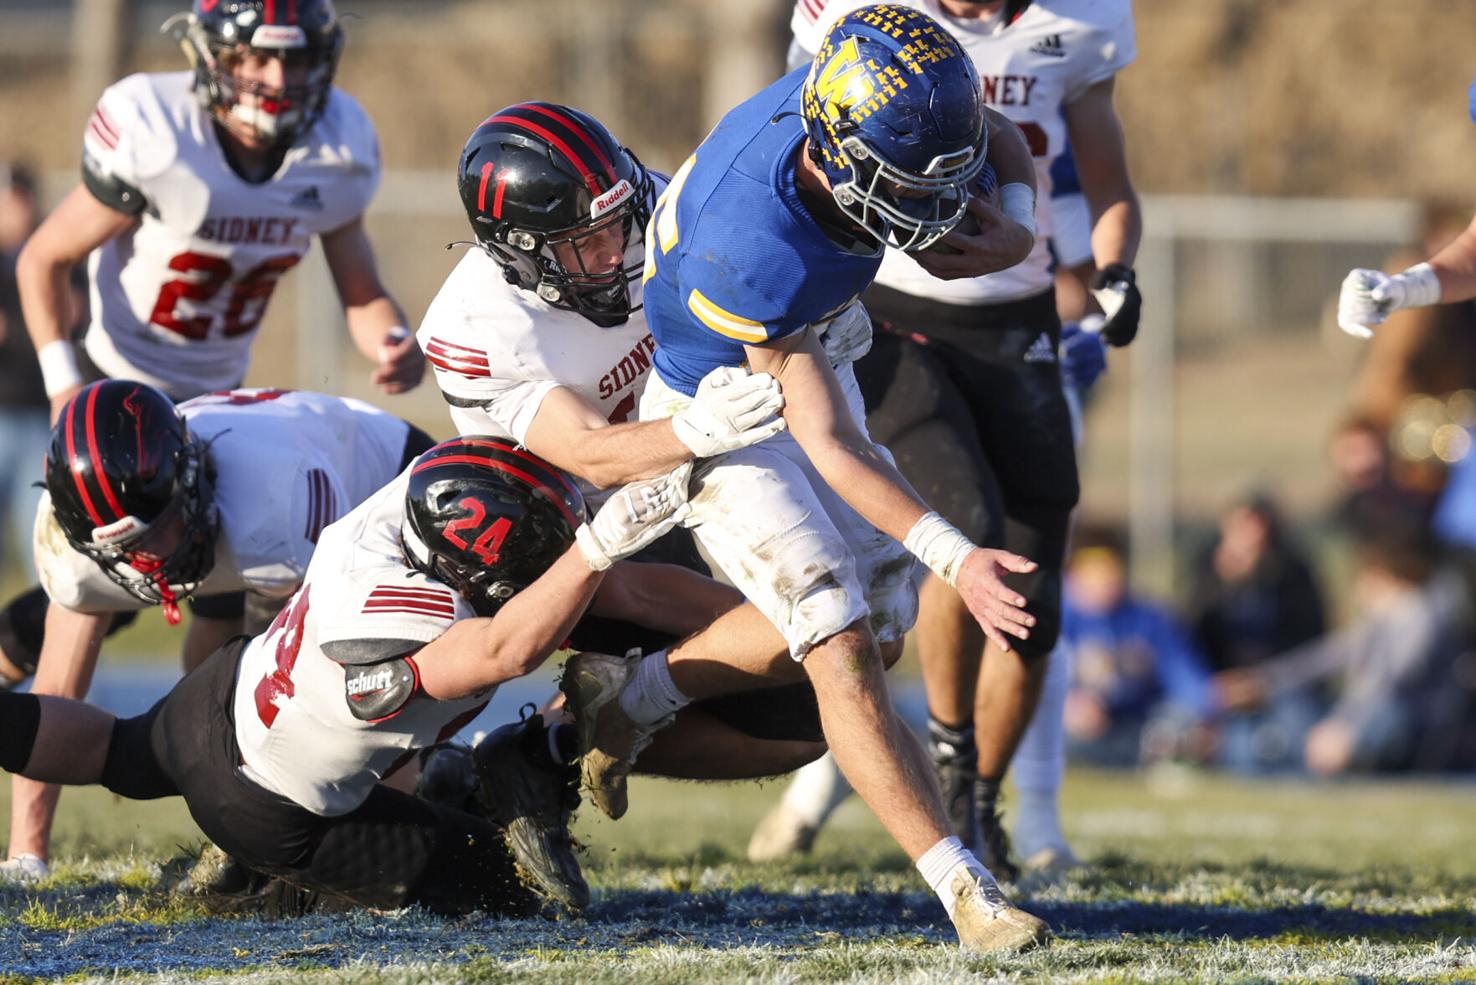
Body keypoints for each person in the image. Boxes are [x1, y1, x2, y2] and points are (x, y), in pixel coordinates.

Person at [630, 4, 1051, 952]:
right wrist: (959, 556)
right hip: (726, 402)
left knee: (884, 623)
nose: (941, 205)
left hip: (814, 338)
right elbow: (828, 442)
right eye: (912, 185)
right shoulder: (752, 243)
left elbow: (998, 134)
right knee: (841, 639)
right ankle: (967, 893)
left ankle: (630, 698)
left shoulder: (867, 105)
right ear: (838, 157)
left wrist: (1020, 228)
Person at [0, 437, 694, 915]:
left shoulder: (386, 522)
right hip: (265, 807)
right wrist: (594, 549)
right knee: (510, 886)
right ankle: (259, 886)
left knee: (117, 749)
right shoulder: (405, 627)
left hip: (218, 695)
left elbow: (464, 462)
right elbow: (505, 652)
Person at [774, 0, 1140, 883]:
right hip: (890, 311)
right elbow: (785, 138)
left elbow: (1109, 181)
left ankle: (980, 793)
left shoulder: (1080, 23)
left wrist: (1119, 272)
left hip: (1018, 314)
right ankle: (945, 750)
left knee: (1033, 588)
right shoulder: (858, 11)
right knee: (964, 522)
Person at [420, 105, 836, 807]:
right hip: (564, 537)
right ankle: (499, 767)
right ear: (520, 252)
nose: (618, 251)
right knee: (797, 632)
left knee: (799, 726)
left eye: (619, 223)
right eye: (587, 242)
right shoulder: (479, 327)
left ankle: (548, 748)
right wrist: (699, 430)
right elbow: (590, 454)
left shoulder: (654, 210)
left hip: (671, 495)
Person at [0, 381, 433, 883]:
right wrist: (27, 853)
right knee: (210, 690)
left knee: (326, 694)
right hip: (245, 527)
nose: (151, 560)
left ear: (191, 475)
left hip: (384, 479)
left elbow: (358, 668)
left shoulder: (280, 504)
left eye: (157, 531)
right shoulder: (72, 550)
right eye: (128, 551)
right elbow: (57, 692)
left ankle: (429, 792)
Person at [17, 0, 423, 421]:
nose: (279, 80)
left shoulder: (337, 149)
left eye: (297, 61)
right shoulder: (160, 130)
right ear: (214, 57)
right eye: (259, 58)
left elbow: (364, 295)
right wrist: (63, 385)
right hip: (115, 380)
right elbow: (43, 259)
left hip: (220, 398)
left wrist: (392, 340)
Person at [1060, 525, 1213, 767]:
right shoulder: (1055, 619)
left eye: (1112, 569)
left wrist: (1208, 705)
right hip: (1077, 731)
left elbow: (1184, 676)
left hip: (1139, 723)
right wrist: (1067, 705)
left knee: (1180, 725)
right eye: (1095, 571)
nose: (1106, 580)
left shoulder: (1149, 618)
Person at [0, 163, 60, 579]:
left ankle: (42, 616)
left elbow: (65, 319)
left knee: (38, 536)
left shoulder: (52, 255)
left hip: (39, 413)